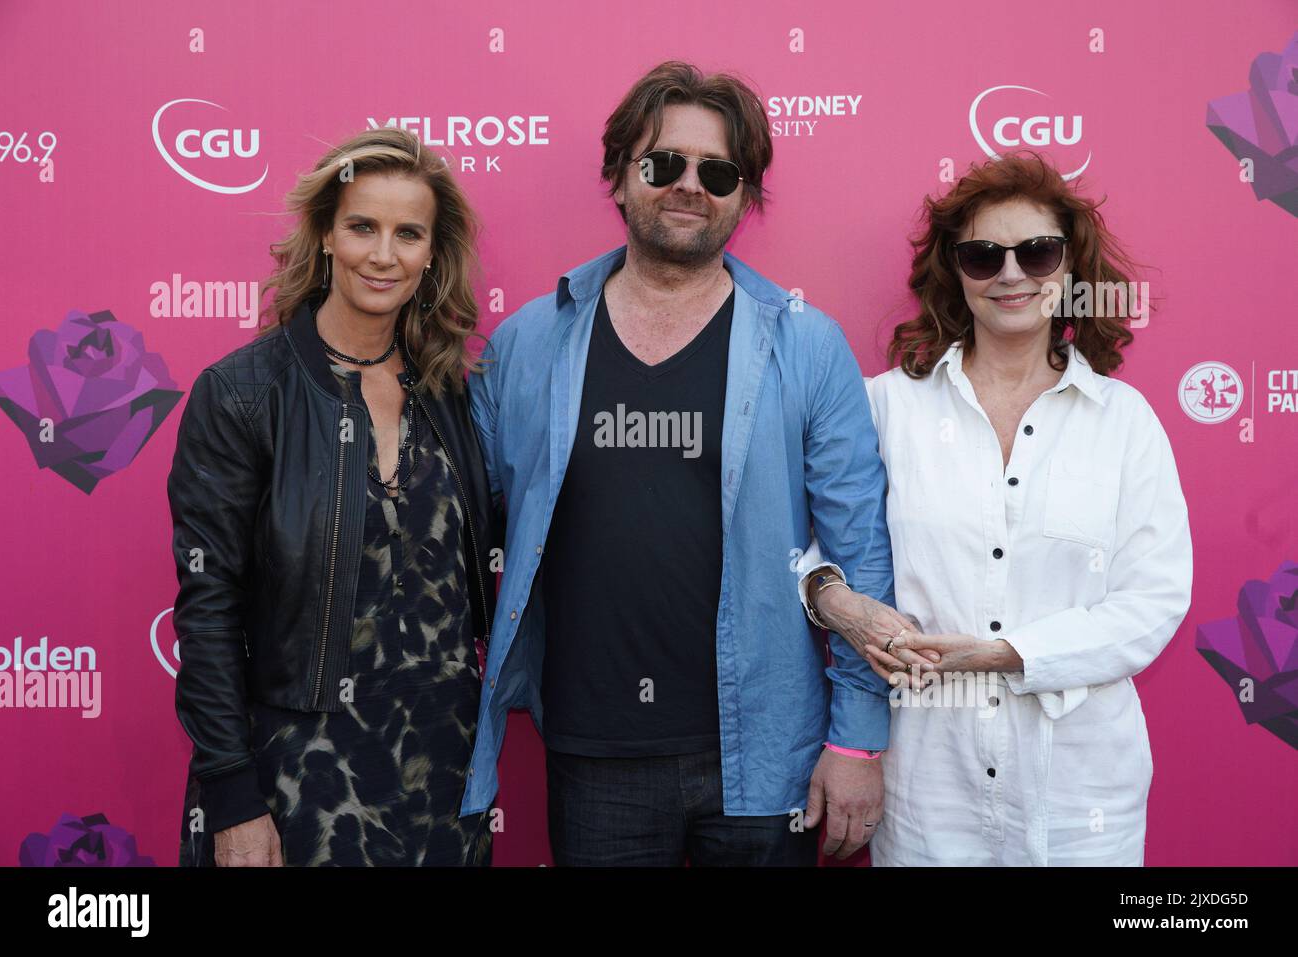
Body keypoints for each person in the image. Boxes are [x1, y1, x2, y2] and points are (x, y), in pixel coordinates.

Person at [463, 61, 894, 866]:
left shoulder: (806, 344)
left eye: (718, 171)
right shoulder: (528, 342)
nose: (689, 186)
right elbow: (454, 521)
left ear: (744, 196)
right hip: (594, 756)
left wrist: (860, 740)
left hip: (769, 755)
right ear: (620, 179)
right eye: (663, 164)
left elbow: (859, 549)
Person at [797, 153, 1193, 865]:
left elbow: (1153, 600)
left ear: (1069, 269)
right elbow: (802, 551)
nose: (1011, 274)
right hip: (927, 795)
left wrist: (1008, 654)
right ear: (956, 271)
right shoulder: (885, 407)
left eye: (1036, 252)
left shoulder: (1124, 420)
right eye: (983, 255)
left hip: (1081, 802)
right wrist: (840, 604)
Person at [167, 127, 498, 866]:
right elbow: (208, 605)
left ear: (431, 253)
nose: (384, 254)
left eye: (408, 233)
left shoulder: (452, 394)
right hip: (299, 772)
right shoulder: (245, 395)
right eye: (362, 227)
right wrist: (232, 796)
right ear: (323, 236)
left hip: (443, 772)